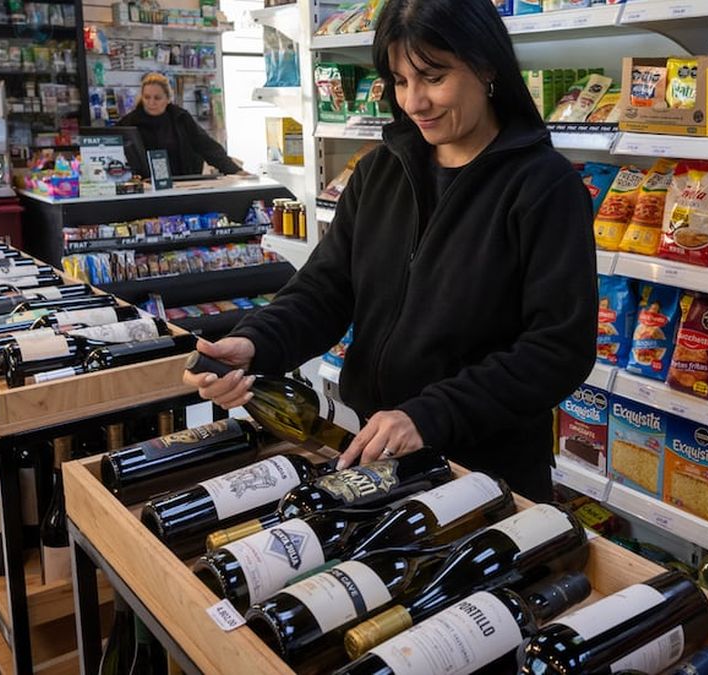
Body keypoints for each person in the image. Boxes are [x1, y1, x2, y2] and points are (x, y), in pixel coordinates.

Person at [182, 0, 596, 500]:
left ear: (487, 67)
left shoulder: (543, 186)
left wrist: (431, 414)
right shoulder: (381, 171)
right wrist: (254, 344)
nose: (414, 102)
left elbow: (559, 347)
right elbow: (326, 289)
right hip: (371, 449)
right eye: (400, 81)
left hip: (483, 473)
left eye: (433, 77)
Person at [118, 73, 245, 177]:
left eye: (157, 98)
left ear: (168, 99)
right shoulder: (129, 122)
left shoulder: (180, 118)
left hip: (183, 183)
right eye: (147, 97)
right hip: (144, 186)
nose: (151, 102)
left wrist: (234, 170)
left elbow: (207, 146)